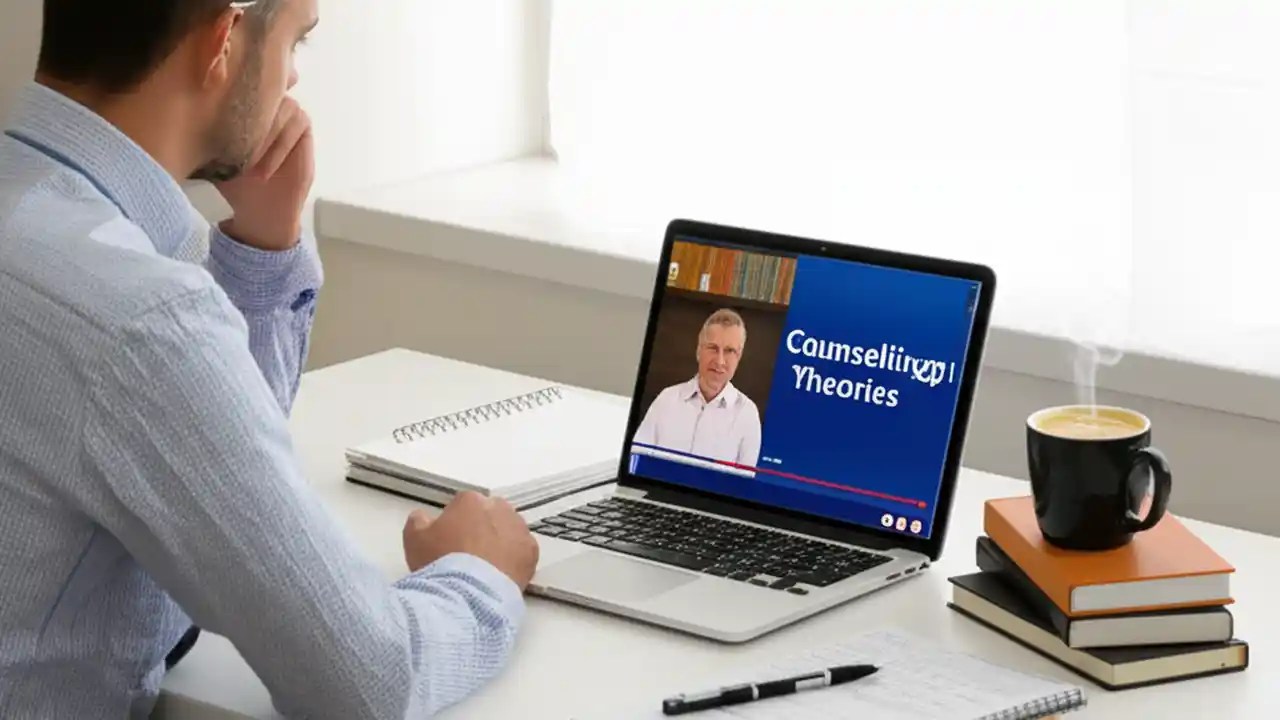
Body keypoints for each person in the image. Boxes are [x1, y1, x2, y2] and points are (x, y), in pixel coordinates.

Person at [0, 1, 537, 718]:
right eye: (296, 43)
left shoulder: (63, 251)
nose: (291, 83)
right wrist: (479, 572)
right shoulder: (140, 322)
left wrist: (262, 247)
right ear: (223, 40)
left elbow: (190, 509)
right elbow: (368, 686)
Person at [635, 308, 763, 467]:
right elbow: (636, 462)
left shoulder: (747, 414)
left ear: (739, 357)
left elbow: (744, 485)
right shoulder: (667, 399)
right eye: (713, 348)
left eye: (730, 351)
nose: (720, 361)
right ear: (699, 350)